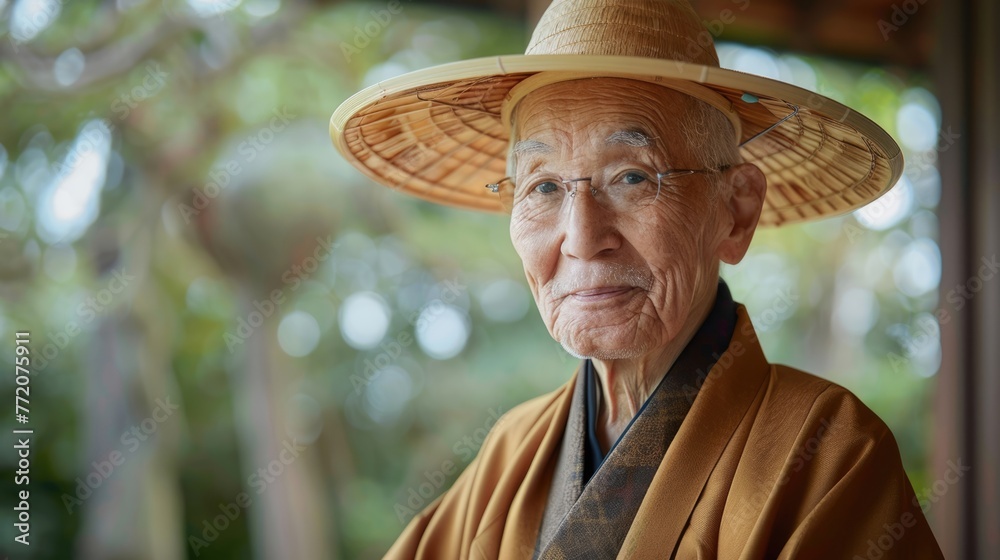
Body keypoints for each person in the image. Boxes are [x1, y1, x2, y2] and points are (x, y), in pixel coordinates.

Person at [330, 0, 945, 557]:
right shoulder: (511, 452)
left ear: (735, 211)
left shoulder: (827, 452)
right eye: (543, 186)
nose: (582, 236)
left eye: (632, 177)